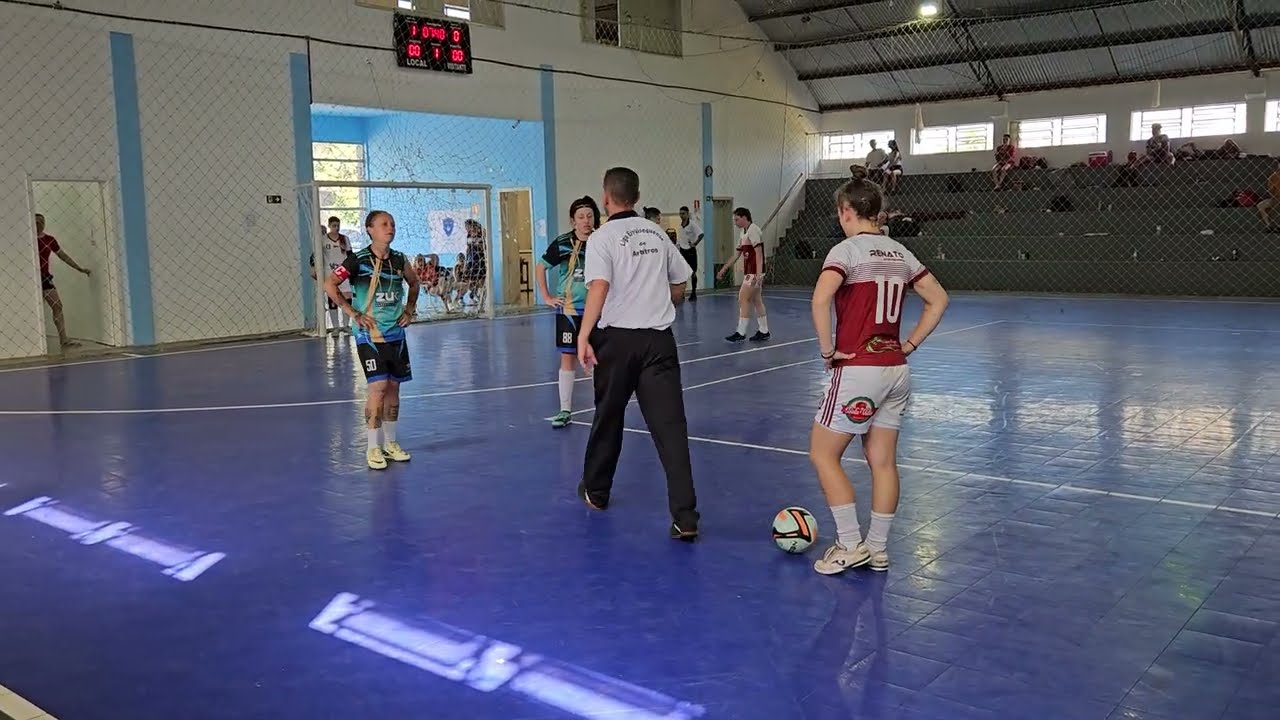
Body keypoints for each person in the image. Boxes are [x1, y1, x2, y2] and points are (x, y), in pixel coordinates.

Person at [808, 178, 949, 575]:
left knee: (823, 453)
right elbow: (939, 299)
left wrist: (827, 350)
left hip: (858, 370)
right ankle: (877, 549)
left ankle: (850, 544)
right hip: (896, 370)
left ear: (846, 211)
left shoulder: (846, 250)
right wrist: (910, 344)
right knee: (882, 460)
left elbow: (820, 300)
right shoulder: (901, 251)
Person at [576, 167, 700, 541]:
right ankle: (686, 517)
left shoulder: (602, 238)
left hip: (617, 343)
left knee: (608, 418)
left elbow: (599, 286)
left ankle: (596, 492)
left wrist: (584, 335)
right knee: (671, 429)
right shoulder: (657, 232)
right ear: (637, 195)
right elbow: (681, 280)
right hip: (659, 343)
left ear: (605, 197)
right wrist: (665, 299)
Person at [324, 210, 421, 470]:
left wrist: (409, 310)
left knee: (393, 388)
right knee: (378, 388)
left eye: (392, 224)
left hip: (395, 334)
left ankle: (391, 443)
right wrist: (353, 313)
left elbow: (414, 283)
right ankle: (372, 447)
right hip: (369, 335)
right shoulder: (358, 260)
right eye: (383, 224)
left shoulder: (400, 260)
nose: (390, 228)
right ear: (369, 229)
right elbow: (330, 284)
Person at [536, 195, 601, 428]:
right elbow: (540, 266)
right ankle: (565, 410)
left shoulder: (602, 240)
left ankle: (603, 409)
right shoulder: (563, 242)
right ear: (573, 221)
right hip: (570, 311)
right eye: (581, 217)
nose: (586, 220)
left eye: (589, 216)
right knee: (568, 357)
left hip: (599, 311)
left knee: (601, 358)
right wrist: (547, 297)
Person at [34, 213, 92, 351]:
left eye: (41, 222)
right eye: (36, 222)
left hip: (45, 278)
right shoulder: (27, 239)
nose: (39, 224)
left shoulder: (49, 240)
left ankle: (63, 339)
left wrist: (79, 268)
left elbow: (63, 255)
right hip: (30, 277)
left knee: (57, 306)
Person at [717, 207, 769, 342]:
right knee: (757, 300)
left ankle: (741, 332)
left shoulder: (753, 230)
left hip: (754, 272)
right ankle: (764, 330)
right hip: (751, 271)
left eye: (737, 219)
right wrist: (724, 269)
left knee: (743, 298)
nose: (735, 222)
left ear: (745, 217)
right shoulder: (743, 233)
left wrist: (758, 276)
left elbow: (759, 254)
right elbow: (737, 254)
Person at [310, 216, 355, 334]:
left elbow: (351, 256)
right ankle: (335, 327)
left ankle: (346, 325)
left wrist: (353, 269)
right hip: (330, 273)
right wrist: (313, 268)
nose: (337, 228)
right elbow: (314, 256)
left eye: (338, 225)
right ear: (329, 226)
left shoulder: (345, 239)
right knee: (332, 298)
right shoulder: (323, 240)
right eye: (334, 225)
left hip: (343, 272)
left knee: (347, 298)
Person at [676, 206, 703, 300]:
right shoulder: (680, 225)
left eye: (683, 213)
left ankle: (694, 292)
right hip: (682, 250)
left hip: (690, 250)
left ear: (687, 214)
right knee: (682, 272)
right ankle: (682, 293)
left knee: (693, 272)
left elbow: (701, 234)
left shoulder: (692, 224)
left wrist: (694, 243)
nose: (681, 215)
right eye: (680, 213)